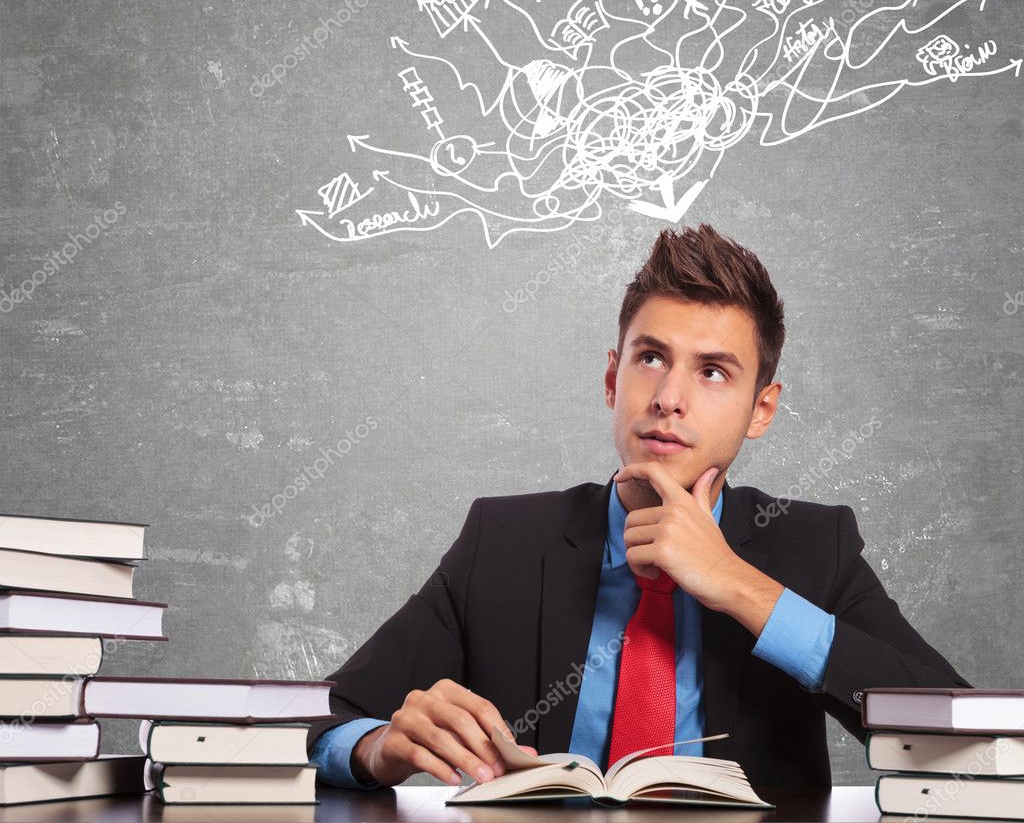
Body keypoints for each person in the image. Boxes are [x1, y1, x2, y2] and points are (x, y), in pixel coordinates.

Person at [307, 223, 970, 790]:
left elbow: (958, 732)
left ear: (760, 409)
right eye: (651, 358)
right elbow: (321, 719)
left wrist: (741, 588)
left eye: (713, 371)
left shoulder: (812, 546)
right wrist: (376, 749)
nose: (669, 398)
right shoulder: (502, 541)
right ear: (611, 378)